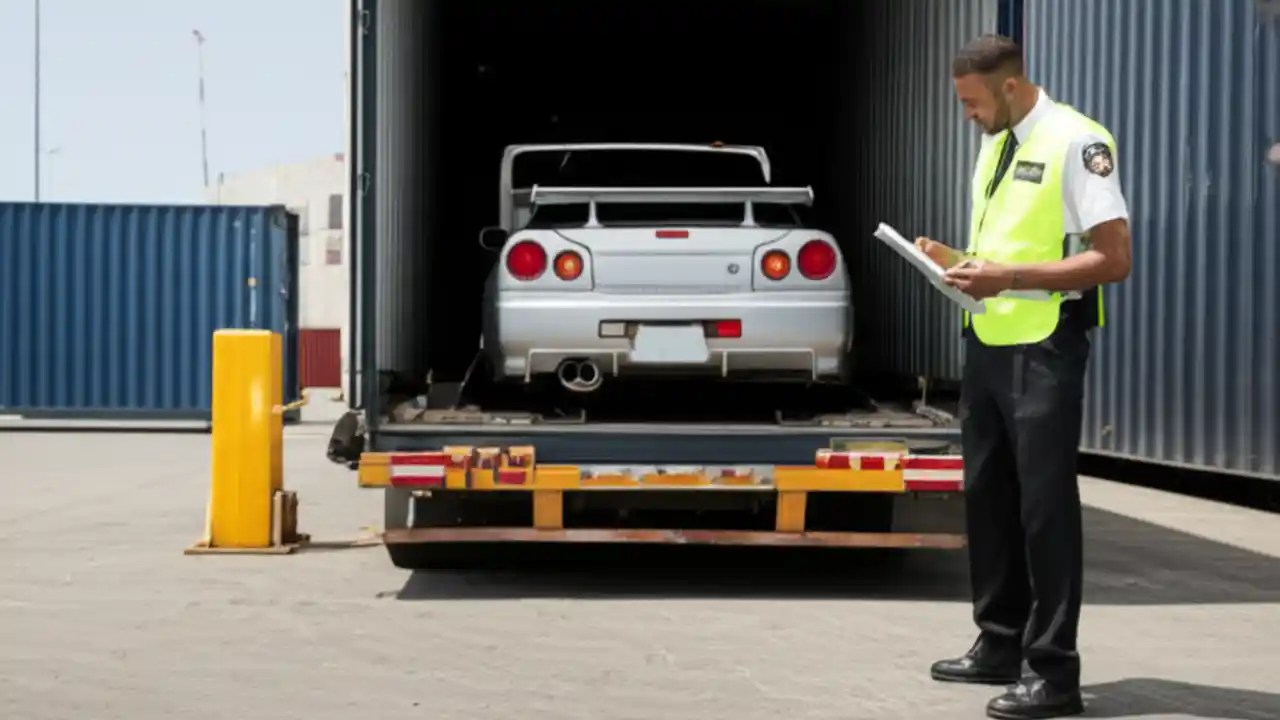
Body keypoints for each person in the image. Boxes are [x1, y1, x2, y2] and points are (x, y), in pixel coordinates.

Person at [914, 35, 1132, 720]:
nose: (967, 116)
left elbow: (1112, 258)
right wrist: (960, 260)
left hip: (1045, 346)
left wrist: (1008, 276)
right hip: (988, 338)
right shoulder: (995, 141)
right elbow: (1007, 242)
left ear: (1009, 88)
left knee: (1044, 508)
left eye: (973, 103)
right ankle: (999, 642)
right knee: (988, 495)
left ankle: (1055, 675)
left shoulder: (1079, 141)